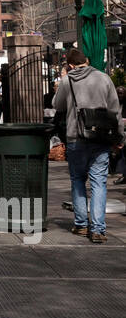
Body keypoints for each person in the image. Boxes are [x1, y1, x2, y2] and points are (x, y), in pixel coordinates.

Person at [53, 48, 123, 243]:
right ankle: (98, 229)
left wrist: (63, 81)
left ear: (71, 65)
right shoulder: (104, 78)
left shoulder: (68, 81)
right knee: (99, 182)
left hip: (76, 137)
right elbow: (115, 110)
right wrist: (119, 137)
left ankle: (82, 225)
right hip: (100, 138)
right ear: (87, 61)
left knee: (77, 180)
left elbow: (57, 105)